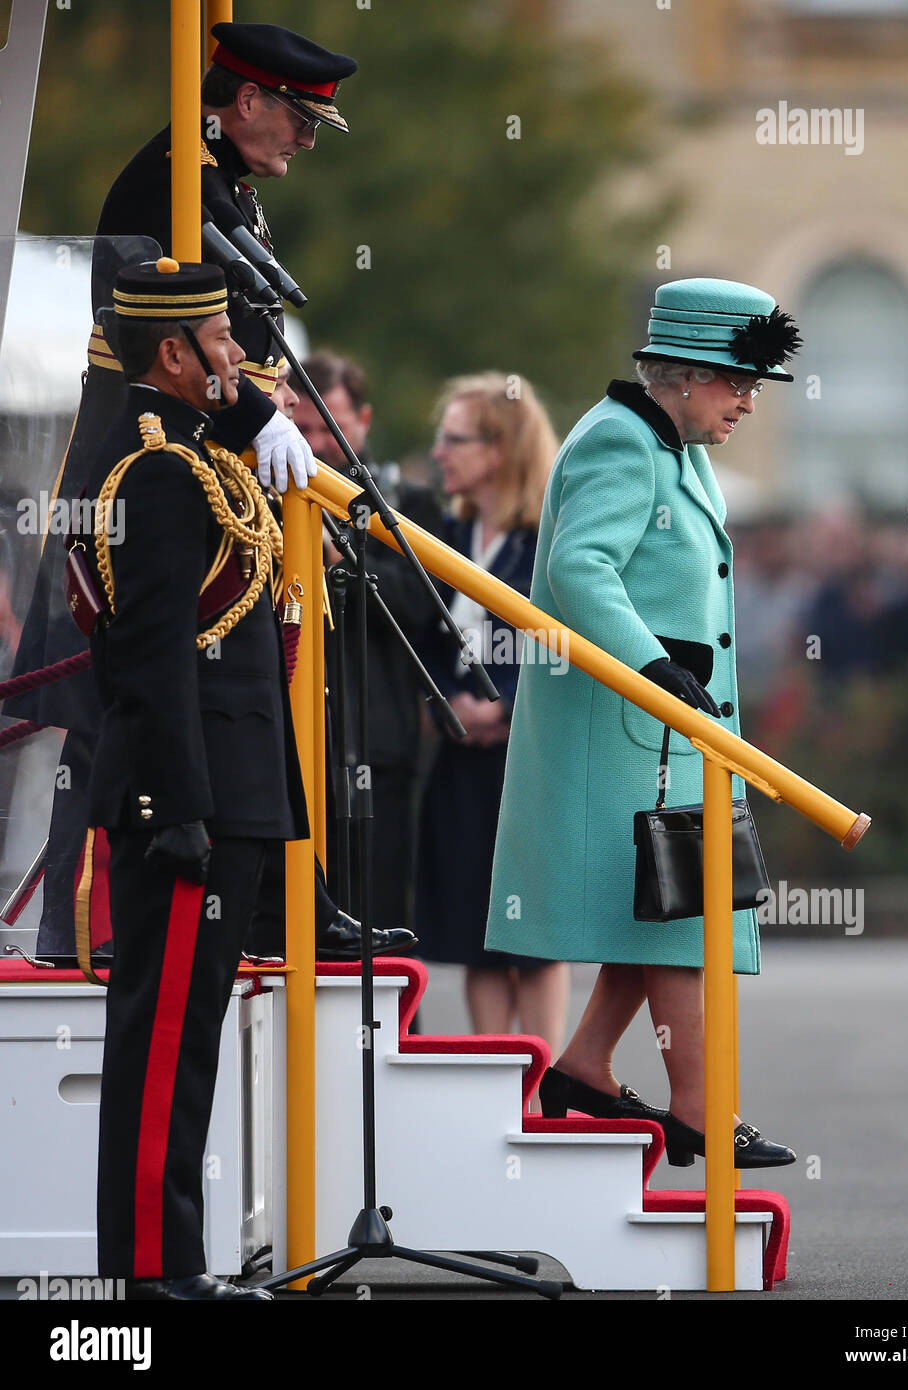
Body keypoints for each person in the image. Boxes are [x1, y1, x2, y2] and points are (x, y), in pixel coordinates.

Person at [3, 22, 364, 962]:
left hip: (195, 454)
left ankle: (284, 897)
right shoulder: (177, 180)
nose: (306, 141)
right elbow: (173, 341)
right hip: (144, 452)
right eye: (301, 121)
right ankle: (89, 928)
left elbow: (234, 327)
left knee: (242, 681)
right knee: (120, 695)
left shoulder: (214, 179)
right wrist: (259, 419)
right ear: (247, 102)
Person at [484, 280, 802, 1167]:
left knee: (659, 909)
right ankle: (699, 1111)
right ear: (688, 376)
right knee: (677, 919)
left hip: (658, 735)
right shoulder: (622, 440)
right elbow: (582, 567)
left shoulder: (671, 444)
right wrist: (655, 669)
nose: (746, 402)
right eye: (738, 382)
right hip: (631, 731)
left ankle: (584, 1064)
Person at [80, 258, 306, 1299]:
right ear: (172, 354)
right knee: (162, 1047)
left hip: (230, 789)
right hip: (189, 802)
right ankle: (149, 1278)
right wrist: (175, 807)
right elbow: (157, 652)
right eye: (220, 340)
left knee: (189, 1053)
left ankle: (175, 1264)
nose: (238, 356)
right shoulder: (161, 471)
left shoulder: (197, 457)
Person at [416, 373, 569, 1060]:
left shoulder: (548, 541)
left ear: (500, 449)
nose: (439, 451)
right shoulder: (445, 532)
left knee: (532, 940)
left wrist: (505, 707)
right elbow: (419, 640)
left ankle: (541, 1101)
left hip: (527, 766)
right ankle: (496, 1091)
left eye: (456, 438)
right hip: (460, 761)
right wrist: (443, 708)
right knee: (478, 936)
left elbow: (566, 647)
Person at [292, 353, 443, 934]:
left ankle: (397, 1026)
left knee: (380, 911)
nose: (311, 441)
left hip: (377, 741)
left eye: (324, 425)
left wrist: (337, 552)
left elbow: (416, 606)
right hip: (299, 737)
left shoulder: (408, 503)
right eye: (298, 427)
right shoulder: (270, 491)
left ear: (362, 420)